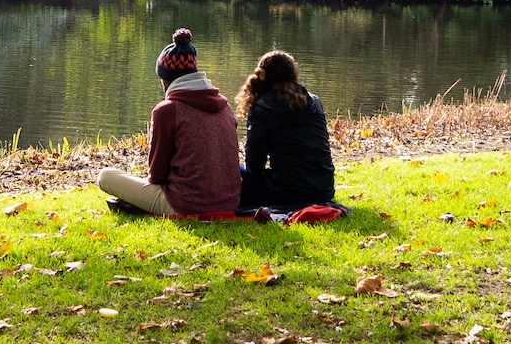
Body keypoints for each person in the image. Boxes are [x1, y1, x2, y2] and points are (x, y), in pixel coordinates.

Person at [97, 28, 241, 218]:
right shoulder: (224, 106)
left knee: (105, 177)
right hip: (230, 202)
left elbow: (156, 175)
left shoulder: (167, 110)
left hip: (186, 204)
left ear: (165, 80)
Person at [236, 49, 337, 213]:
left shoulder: (261, 108)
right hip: (323, 190)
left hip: (283, 194)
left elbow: (254, 165)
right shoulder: (315, 102)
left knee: (234, 169)